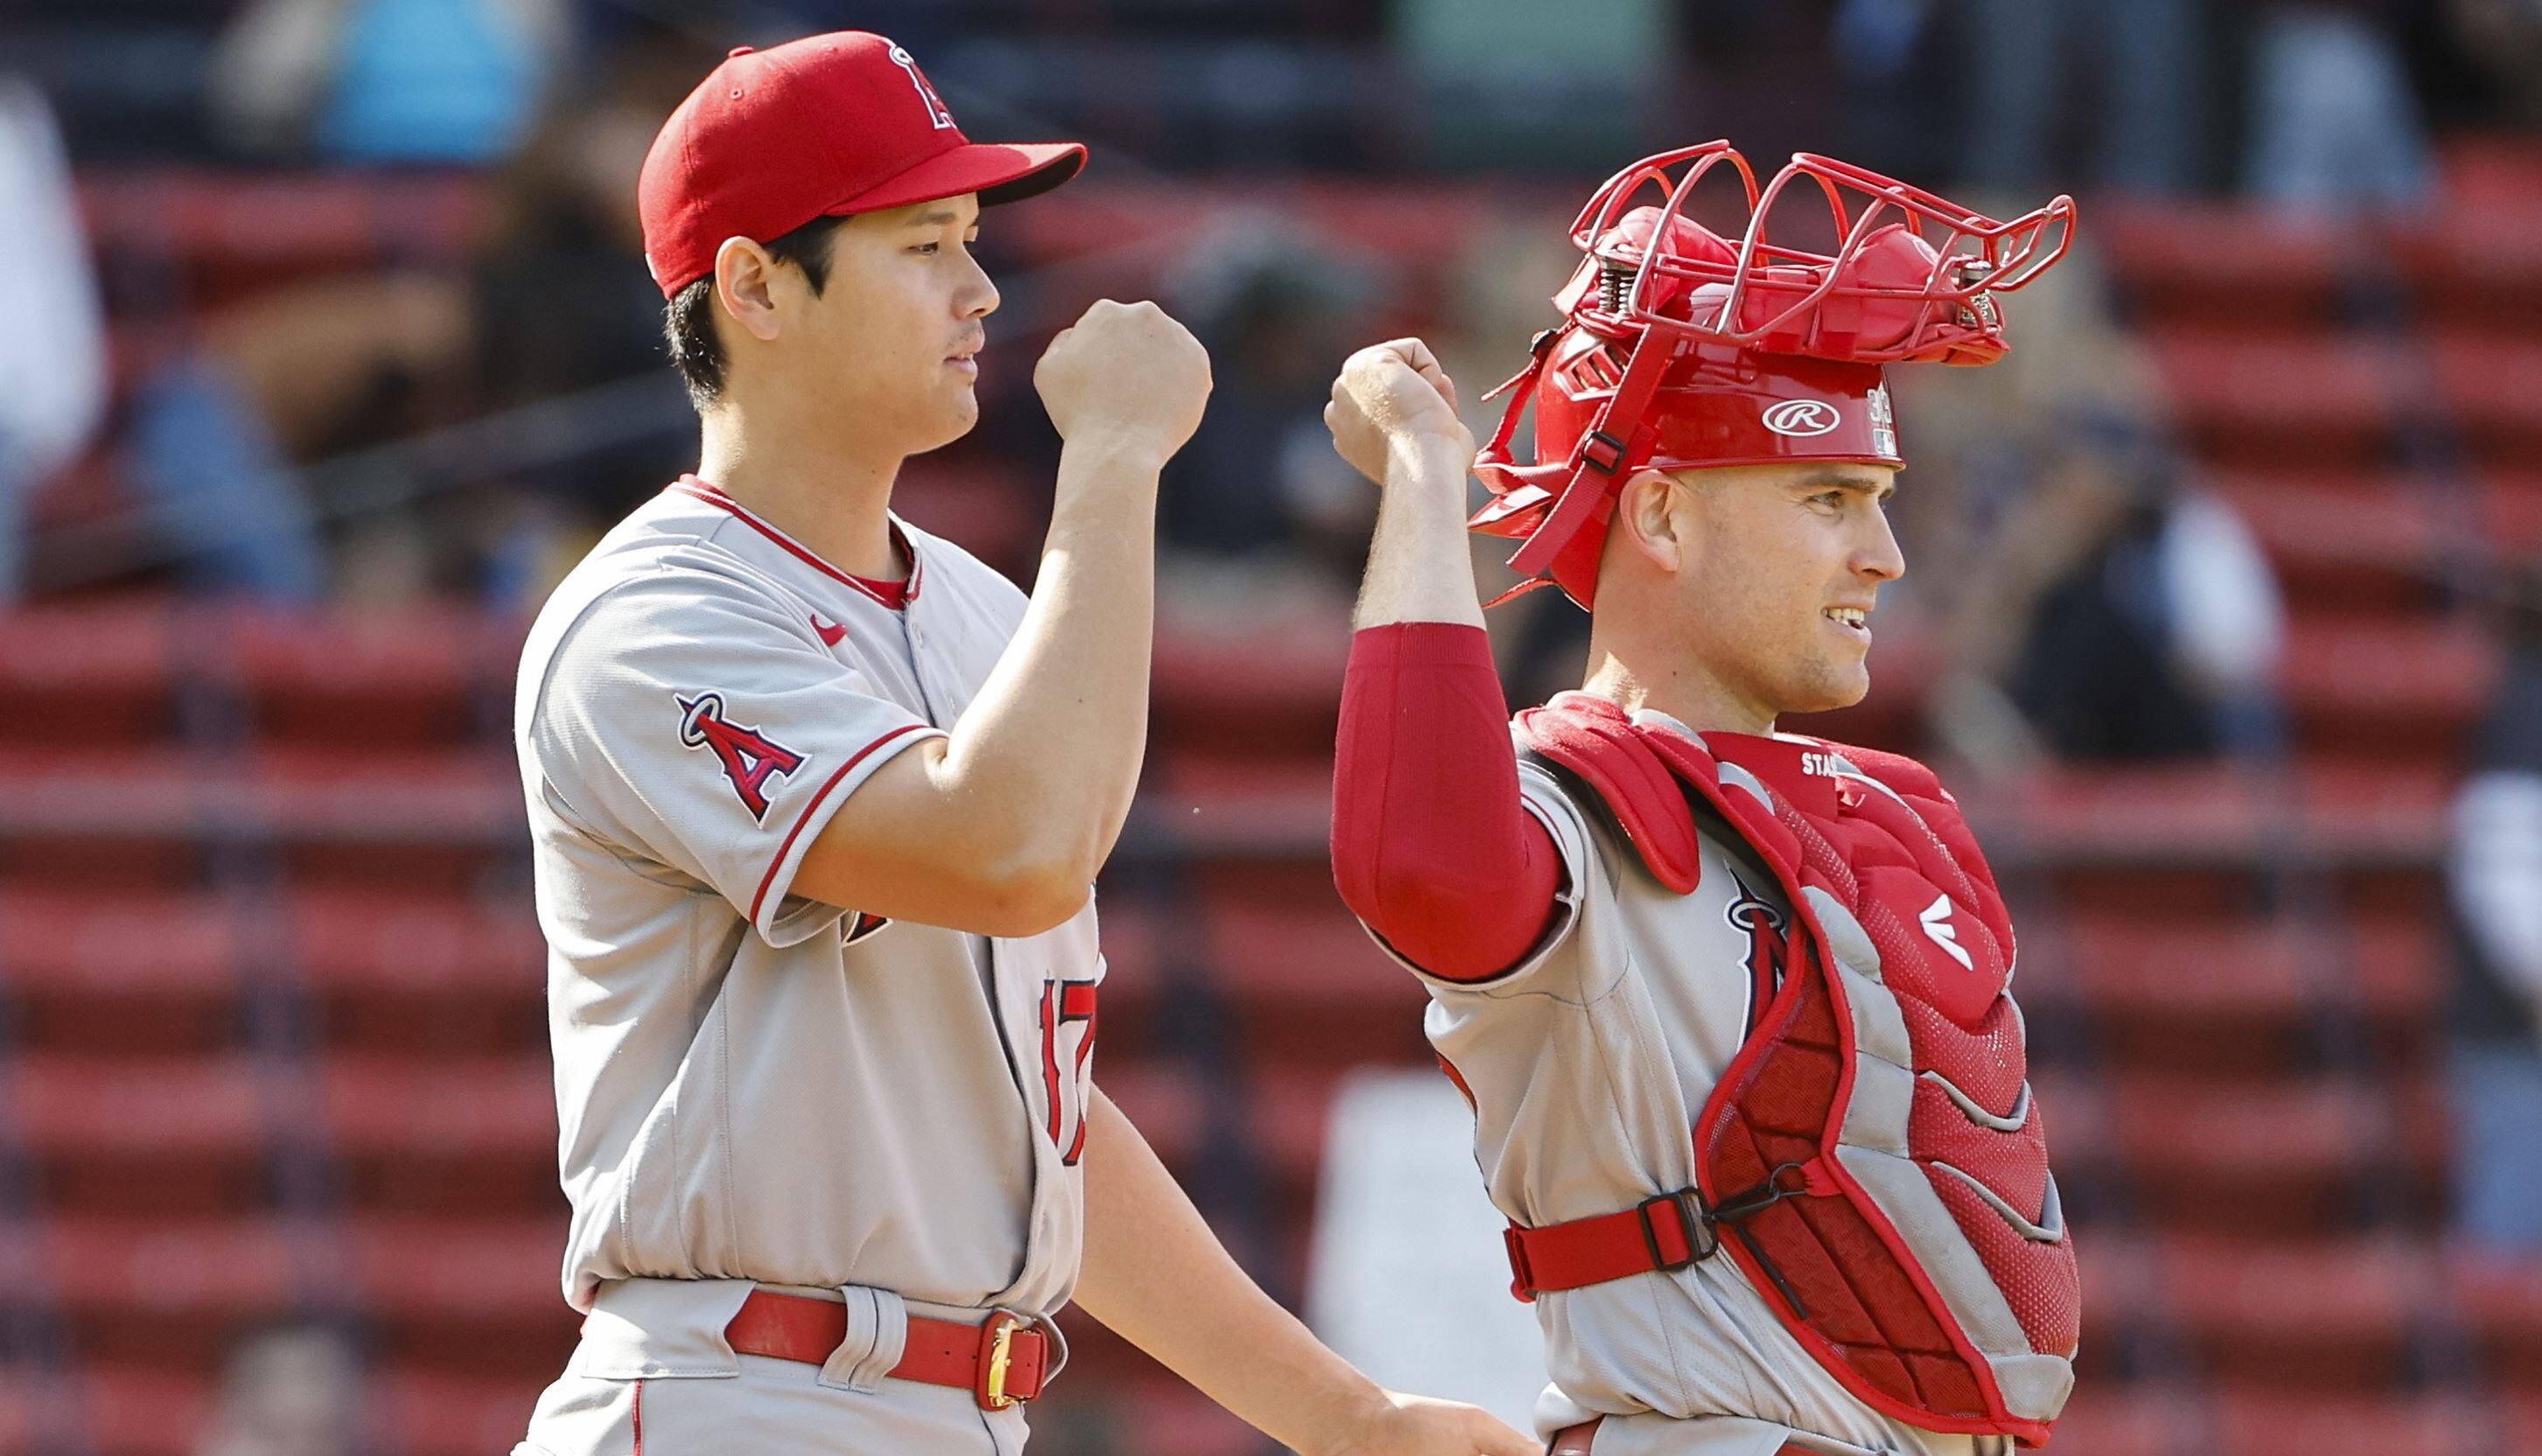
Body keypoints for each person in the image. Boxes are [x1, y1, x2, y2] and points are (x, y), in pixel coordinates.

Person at [507, 31, 1532, 1456]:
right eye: (923, 241)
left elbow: (1032, 1118)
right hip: (735, 1393)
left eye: (973, 237)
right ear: (751, 285)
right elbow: (1015, 853)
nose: (982, 288)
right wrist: (1111, 459)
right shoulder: (651, 614)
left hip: (959, 1404)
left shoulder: (984, 610)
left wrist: (1344, 1416)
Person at [1322, 144, 2083, 1453]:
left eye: (1880, 500)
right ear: (1661, 518)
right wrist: (1423, 476)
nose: (1883, 555)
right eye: (1829, 499)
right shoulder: (1573, 795)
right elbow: (1416, 864)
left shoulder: (1888, 812)